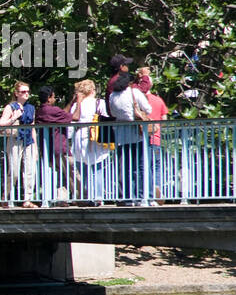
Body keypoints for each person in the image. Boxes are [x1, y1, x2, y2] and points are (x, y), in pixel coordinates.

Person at [108, 63, 151, 205]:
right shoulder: (134, 92)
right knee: (139, 166)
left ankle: (124, 197)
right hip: (136, 134)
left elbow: (112, 113)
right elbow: (148, 109)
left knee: (123, 167)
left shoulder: (113, 95)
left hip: (120, 135)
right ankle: (140, 196)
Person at [0, 81, 38, 208]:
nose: (26, 94)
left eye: (27, 91)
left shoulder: (31, 108)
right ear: (16, 93)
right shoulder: (11, 107)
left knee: (30, 170)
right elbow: (0, 125)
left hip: (28, 141)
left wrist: (35, 145)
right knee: (14, 170)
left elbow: (32, 127)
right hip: (15, 139)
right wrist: (13, 118)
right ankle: (6, 196)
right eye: (23, 92)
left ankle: (27, 199)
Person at [69, 78, 108, 205]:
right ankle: (98, 196)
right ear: (92, 90)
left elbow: (71, 122)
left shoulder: (76, 105)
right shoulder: (99, 103)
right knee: (98, 167)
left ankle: (85, 195)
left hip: (79, 134)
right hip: (95, 135)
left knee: (83, 168)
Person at [33, 86, 74, 205]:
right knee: (71, 172)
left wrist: (71, 103)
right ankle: (83, 197)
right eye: (54, 96)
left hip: (49, 149)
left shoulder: (41, 110)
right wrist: (79, 103)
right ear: (49, 98)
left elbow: (62, 114)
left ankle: (62, 199)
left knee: (61, 175)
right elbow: (74, 117)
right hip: (59, 148)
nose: (55, 99)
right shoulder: (51, 110)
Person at [136, 67, 168, 205]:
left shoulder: (137, 99)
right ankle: (157, 188)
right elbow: (164, 120)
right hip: (156, 138)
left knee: (143, 166)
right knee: (156, 166)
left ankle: (145, 193)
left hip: (140, 137)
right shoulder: (158, 100)